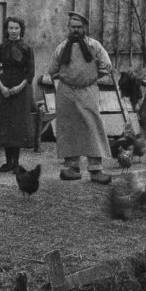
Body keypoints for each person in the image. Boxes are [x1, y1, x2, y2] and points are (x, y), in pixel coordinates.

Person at [40, 11, 115, 183]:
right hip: (66, 92)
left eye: (79, 27)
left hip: (88, 91)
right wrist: (66, 77)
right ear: (68, 28)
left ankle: (96, 170)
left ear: (84, 28)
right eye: (73, 27)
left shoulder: (94, 46)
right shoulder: (61, 48)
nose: (76, 30)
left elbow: (107, 65)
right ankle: (71, 167)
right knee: (68, 128)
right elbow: (52, 70)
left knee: (92, 127)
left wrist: (91, 77)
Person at [0, 15, 36, 173]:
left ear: (21, 30)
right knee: (6, 125)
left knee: (18, 125)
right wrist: (1, 88)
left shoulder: (27, 49)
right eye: (11, 28)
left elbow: (30, 73)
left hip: (20, 89)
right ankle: (8, 162)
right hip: (4, 88)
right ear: (6, 30)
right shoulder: (1, 48)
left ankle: (16, 163)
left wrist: (19, 88)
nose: (13, 31)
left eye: (16, 28)